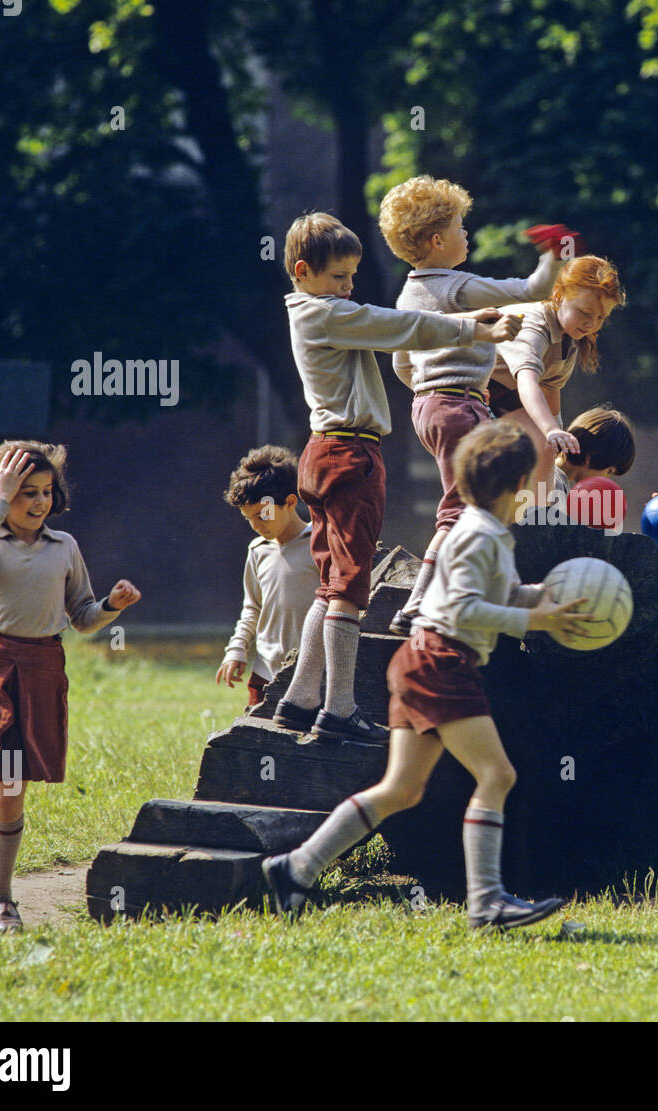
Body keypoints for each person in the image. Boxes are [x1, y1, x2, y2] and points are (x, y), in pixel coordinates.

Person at [262, 421, 588, 929]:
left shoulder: (485, 531)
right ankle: (487, 903)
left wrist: (540, 595)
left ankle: (295, 867)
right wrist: (534, 619)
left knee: (401, 789)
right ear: (516, 484)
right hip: (441, 663)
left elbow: (494, 595)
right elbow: (467, 610)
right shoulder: (480, 534)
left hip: (422, 661)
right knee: (497, 774)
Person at [271, 212, 519, 745]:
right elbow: (397, 325)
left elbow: (388, 327)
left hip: (326, 452)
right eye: (339, 276)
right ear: (302, 271)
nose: (349, 287)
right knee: (349, 589)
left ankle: (299, 700)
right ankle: (338, 709)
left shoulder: (318, 310)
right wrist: (471, 327)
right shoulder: (324, 313)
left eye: (353, 276)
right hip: (348, 454)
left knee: (331, 585)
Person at [0, 442, 141, 934]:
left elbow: (81, 616)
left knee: (12, 787)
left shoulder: (64, 547)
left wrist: (112, 605)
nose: (37, 502)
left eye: (44, 492)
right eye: (24, 492)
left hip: (40, 668)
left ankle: (1, 900)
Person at [377, 174, 578, 633]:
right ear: (437, 239)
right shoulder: (457, 288)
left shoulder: (409, 293)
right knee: (464, 507)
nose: (467, 234)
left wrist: (431, 390)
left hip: (427, 409)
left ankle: (487, 586)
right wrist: (554, 253)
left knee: (466, 502)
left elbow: (401, 366)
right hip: (460, 407)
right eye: (460, 226)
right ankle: (419, 602)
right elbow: (531, 291)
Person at [486, 256, 625, 509]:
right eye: (584, 313)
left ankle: (538, 517)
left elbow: (550, 388)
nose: (590, 324)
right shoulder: (532, 324)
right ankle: (537, 523)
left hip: (501, 396)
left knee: (544, 447)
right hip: (466, 389)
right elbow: (528, 382)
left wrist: (557, 430)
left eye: (600, 318)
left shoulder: (569, 339)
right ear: (558, 295)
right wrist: (550, 431)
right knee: (540, 441)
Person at [217, 445, 319, 708]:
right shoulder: (257, 551)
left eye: (263, 515)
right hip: (264, 674)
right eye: (248, 518)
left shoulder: (321, 545)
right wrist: (237, 649)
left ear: (290, 503)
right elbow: (252, 607)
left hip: (313, 674)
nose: (256, 525)